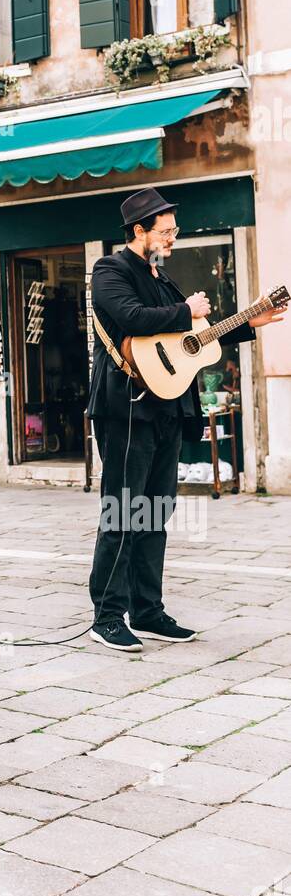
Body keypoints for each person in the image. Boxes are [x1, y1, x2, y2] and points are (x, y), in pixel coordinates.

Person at [87, 187, 285, 653]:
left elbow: (189, 343)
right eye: (167, 231)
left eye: (175, 230)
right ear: (140, 230)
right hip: (127, 409)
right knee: (121, 510)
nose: (173, 238)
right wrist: (186, 310)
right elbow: (130, 318)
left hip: (169, 410)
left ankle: (148, 610)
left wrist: (246, 324)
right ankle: (107, 615)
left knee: (156, 512)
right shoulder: (111, 270)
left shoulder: (162, 277)